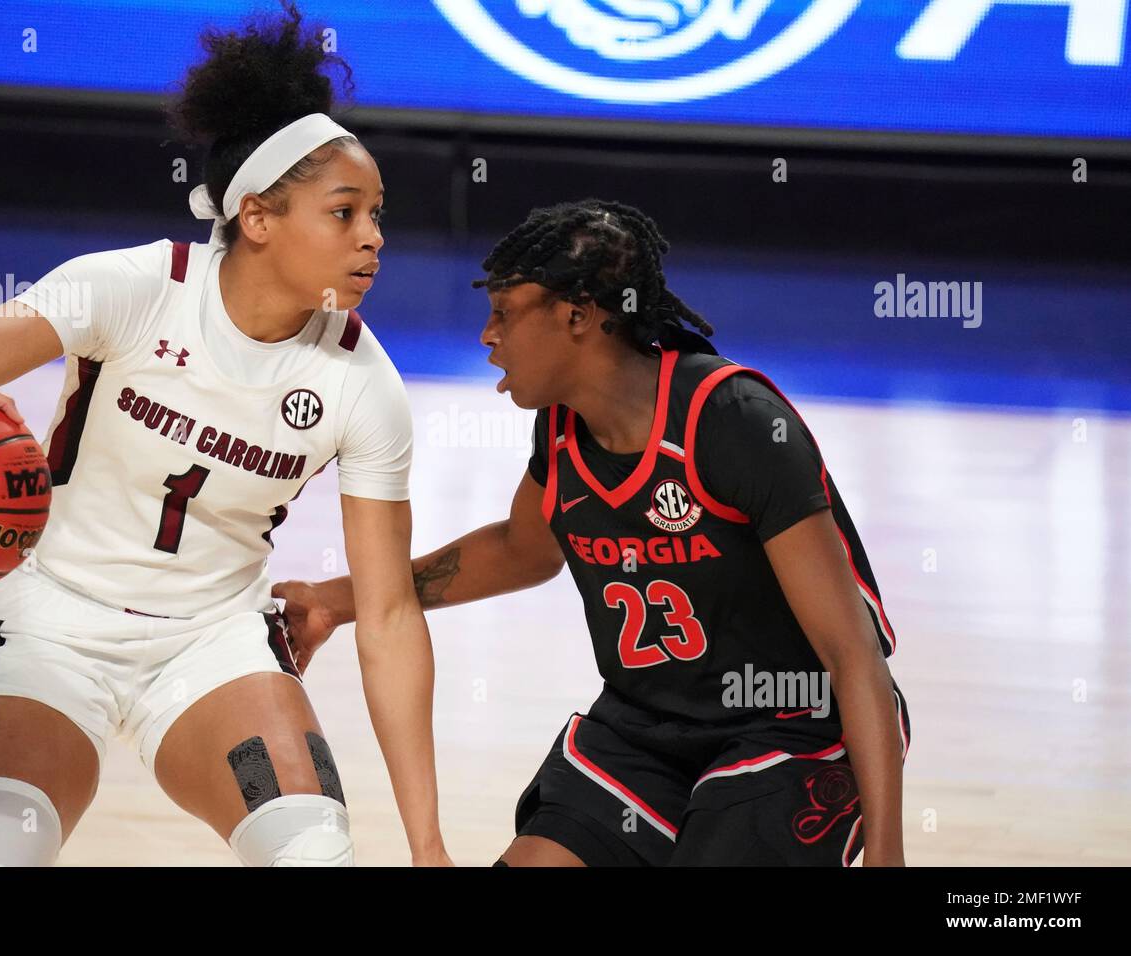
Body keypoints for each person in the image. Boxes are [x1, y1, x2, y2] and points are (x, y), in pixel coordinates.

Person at [0, 4, 450, 867]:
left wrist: (429, 847)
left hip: (214, 640)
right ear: (257, 217)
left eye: (377, 213)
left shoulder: (366, 384)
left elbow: (390, 615)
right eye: (345, 212)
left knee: (315, 853)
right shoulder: (134, 286)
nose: (374, 238)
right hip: (49, 619)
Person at [277, 198, 911, 866]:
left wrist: (888, 857)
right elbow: (519, 552)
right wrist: (336, 601)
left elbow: (854, 659)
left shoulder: (732, 421)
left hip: (790, 728)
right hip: (644, 733)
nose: (488, 336)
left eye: (504, 313)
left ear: (577, 315)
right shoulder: (560, 428)